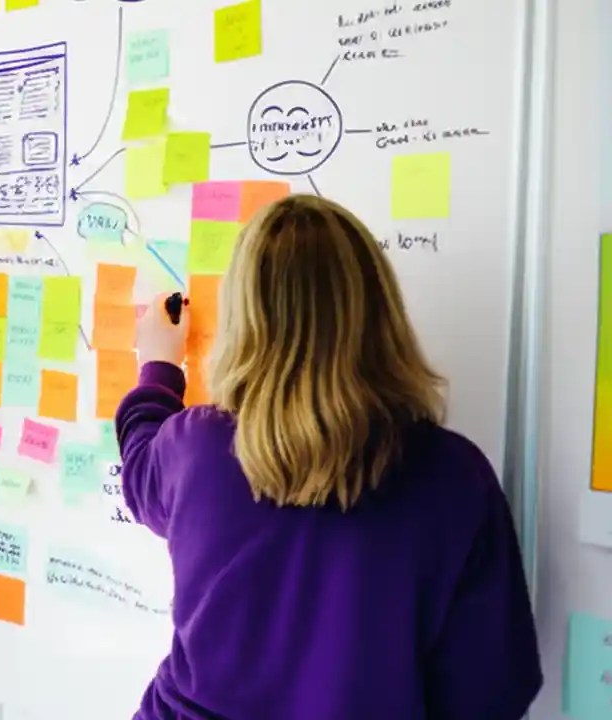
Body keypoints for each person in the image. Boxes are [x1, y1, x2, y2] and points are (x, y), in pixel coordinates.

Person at [117, 194, 542, 720]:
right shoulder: (454, 477)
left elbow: (138, 469)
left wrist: (157, 366)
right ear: (380, 310)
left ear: (244, 320)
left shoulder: (196, 449)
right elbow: (495, 689)